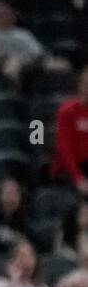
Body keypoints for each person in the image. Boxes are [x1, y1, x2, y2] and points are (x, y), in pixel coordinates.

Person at [51, 67, 88, 195]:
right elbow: (64, 149)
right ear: (80, 85)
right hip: (68, 168)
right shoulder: (67, 110)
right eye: (86, 84)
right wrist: (78, 179)